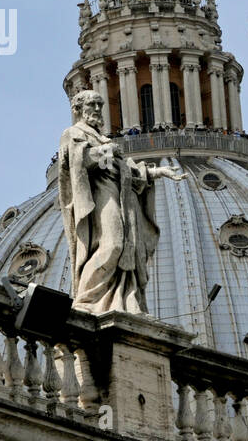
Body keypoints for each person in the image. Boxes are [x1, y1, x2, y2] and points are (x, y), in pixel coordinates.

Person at [58, 90, 183, 314]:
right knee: (112, 245)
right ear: (77, 110)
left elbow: (126, 170)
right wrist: (103, 151)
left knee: (127, 247)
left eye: (100, 104)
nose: (97, 109)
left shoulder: (103, 139)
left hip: (122, 198)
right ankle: (86, 301)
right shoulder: (73, 133)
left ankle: (124, 300)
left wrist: (158, 171)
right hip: (100, 199)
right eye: (92, 105)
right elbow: (78, 162)